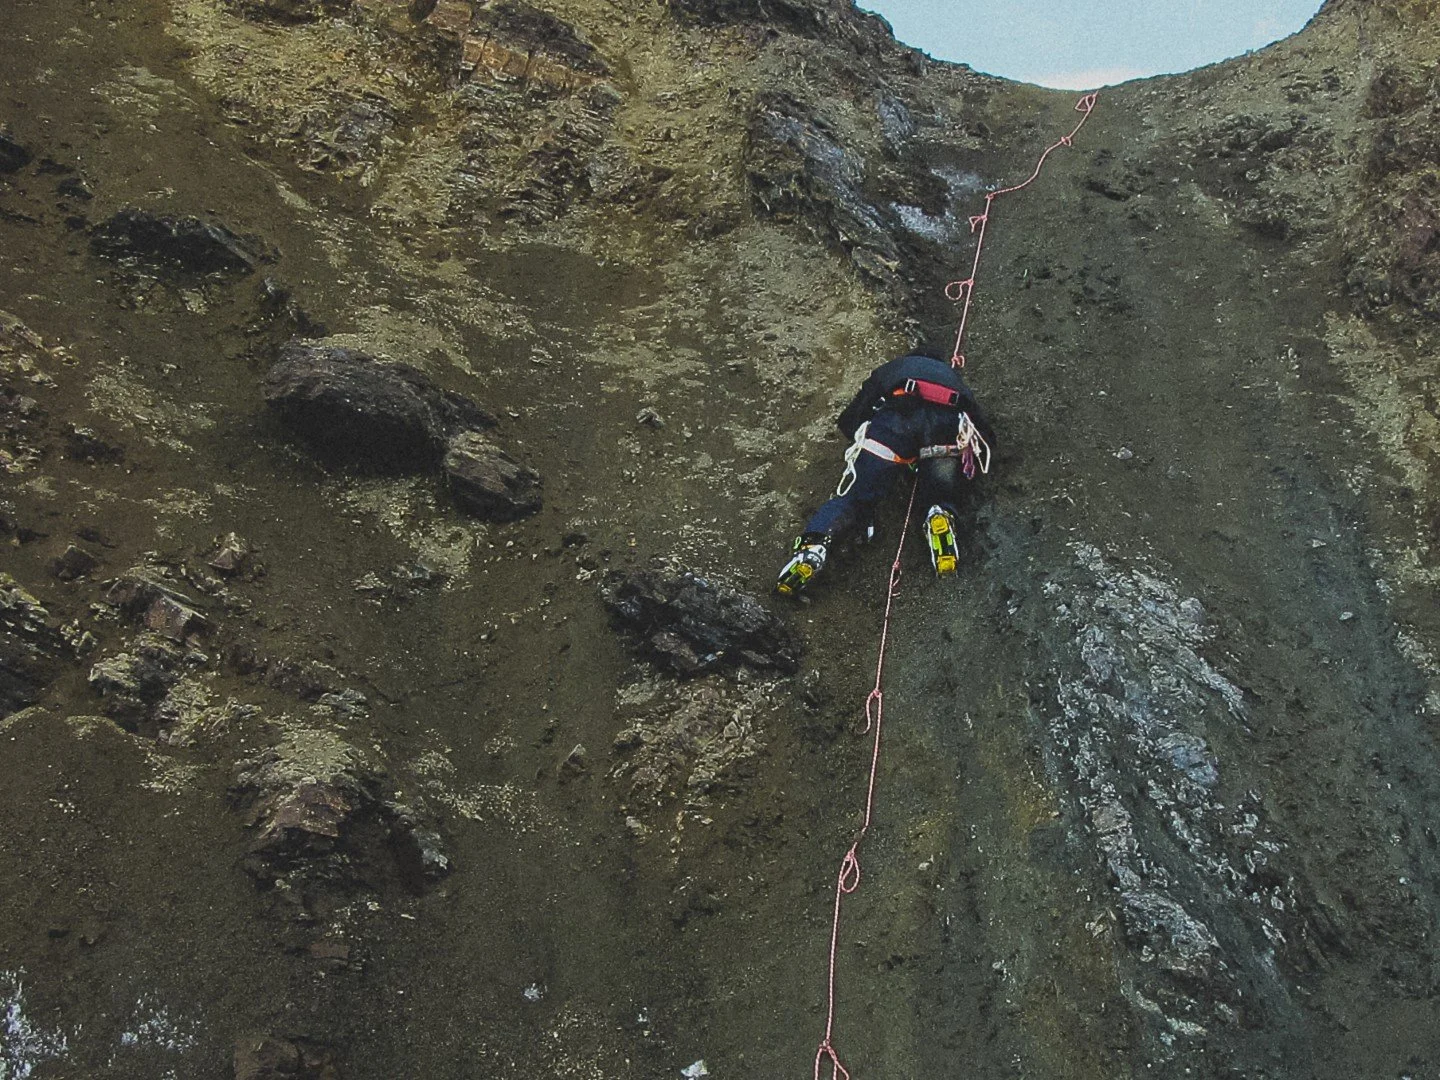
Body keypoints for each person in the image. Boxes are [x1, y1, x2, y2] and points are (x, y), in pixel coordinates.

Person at [775, 351, 994, 596]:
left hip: (897, 421)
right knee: (940, 489)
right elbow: (981, 426)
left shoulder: (897, 368)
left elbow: (857, 410)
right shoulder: (954, 379)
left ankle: (813, 547)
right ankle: (939, 513)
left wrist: (859, 437)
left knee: (855, 498)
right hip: (947, 425)